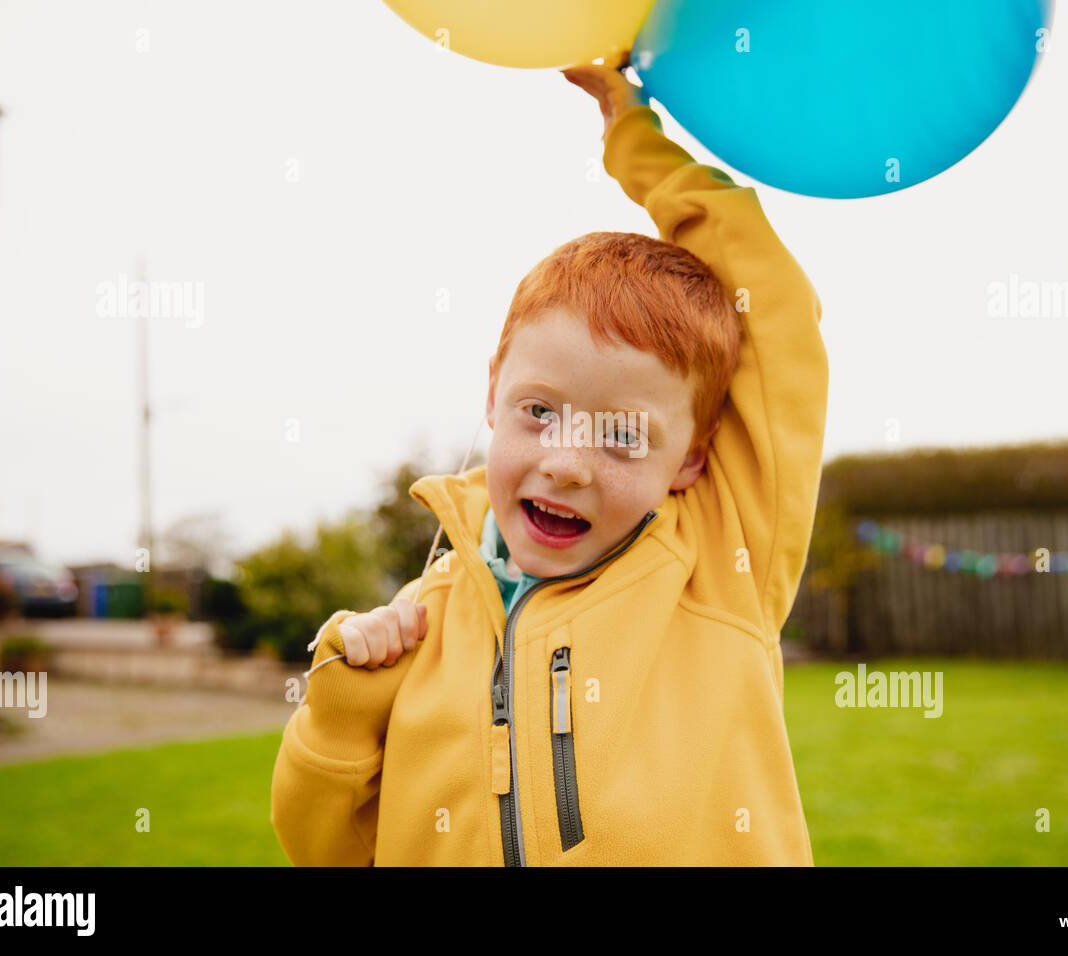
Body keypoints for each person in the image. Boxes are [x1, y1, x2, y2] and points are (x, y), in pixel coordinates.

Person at [270, 56, 828, 866]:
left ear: (692, 458)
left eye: (623, 435)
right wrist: (339, 715)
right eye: (540, 411)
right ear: (493, 395)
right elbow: (323, 849)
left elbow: (774, 304)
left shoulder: (721, 560)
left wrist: (634, 141)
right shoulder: (421, 624)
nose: (566, 463)